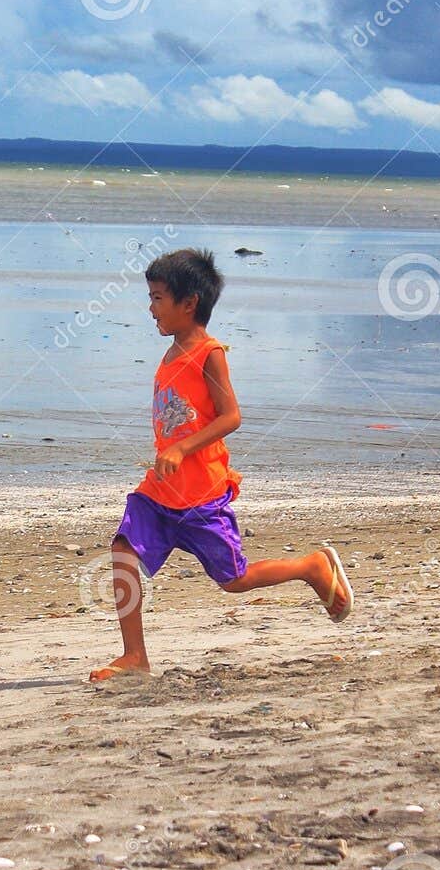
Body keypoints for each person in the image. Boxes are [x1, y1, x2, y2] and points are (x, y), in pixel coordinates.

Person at [90, 248, 353, 681]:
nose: (150, 307)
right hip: (160, 492)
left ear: (188, 303)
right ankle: (134, 655)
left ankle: (312, 567)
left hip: (200, 495)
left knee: (234, 580)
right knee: (122, 551)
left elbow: (231, 416)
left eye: (157, 298)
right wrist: (166, 455)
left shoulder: (209, 353)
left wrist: (180, 450)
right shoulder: (171, 353)